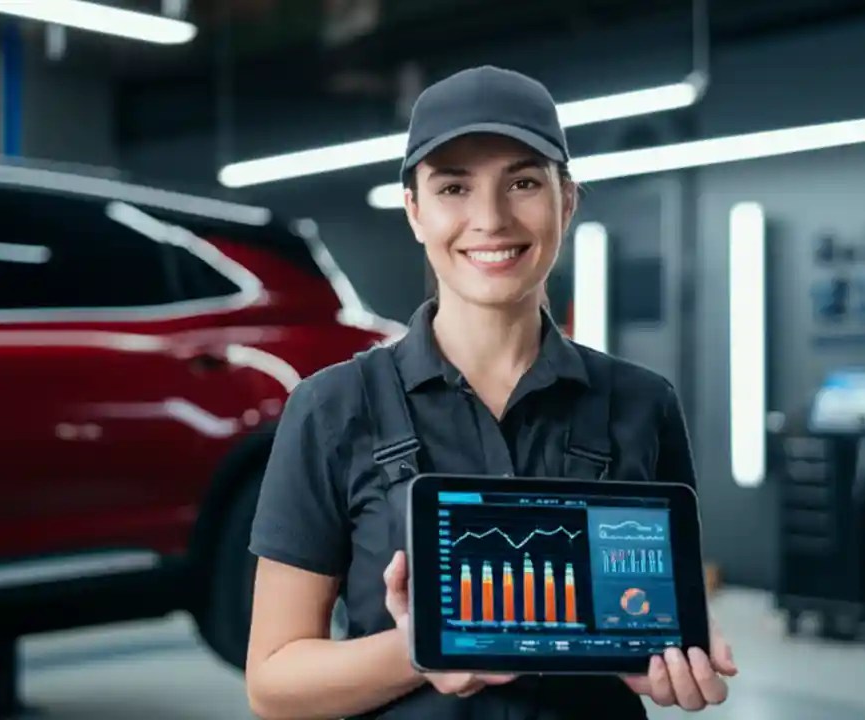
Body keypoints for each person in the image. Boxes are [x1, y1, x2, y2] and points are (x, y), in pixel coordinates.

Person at [245, 65, 737, 720]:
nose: (491, 218)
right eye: (454, 186)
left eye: (524, 182)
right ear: (414, 210)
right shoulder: (332, 407)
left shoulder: (644, 404)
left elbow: (658, 618)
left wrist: (672, 658)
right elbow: (273, 682)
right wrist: (419, 650)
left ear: (567, 201)